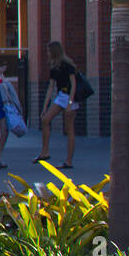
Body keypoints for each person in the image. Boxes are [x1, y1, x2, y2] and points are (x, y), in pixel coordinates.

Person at [36, 40, 79, 169]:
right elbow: (50, 87)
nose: (47, 53)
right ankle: (45, 152)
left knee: (69, 129)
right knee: (45, 119)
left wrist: (70, 103)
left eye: (49, 51)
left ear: (54, 51)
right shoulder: (54, 67)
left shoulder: (67, 65)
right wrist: (45, 107)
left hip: (70, 97)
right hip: (61, 97)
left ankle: (69, 161)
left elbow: (74, 85)